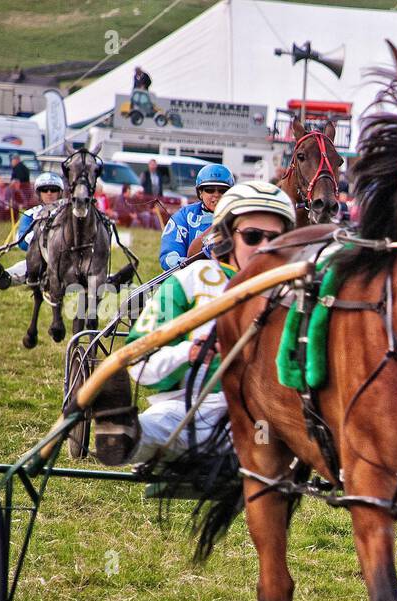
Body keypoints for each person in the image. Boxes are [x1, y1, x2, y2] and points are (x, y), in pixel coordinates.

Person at [115, 181, 296, 465]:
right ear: (226, 236)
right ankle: (120, 435)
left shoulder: (295, 292)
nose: (264, 248)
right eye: (252, 236)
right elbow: (138, 361)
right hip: (191, 408)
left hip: (264, 418)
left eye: (274, 239)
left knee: (267, 442)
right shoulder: (191, 278)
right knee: (159, 426)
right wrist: (186, 354)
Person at [0, 171, 65, 289]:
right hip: (42, 258)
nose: (49, 193)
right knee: (30, 264)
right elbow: (21, 242)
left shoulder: (69, 213)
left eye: (53, 189)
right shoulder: (30, 214)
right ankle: (4, 277)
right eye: (45, 189)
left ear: (59, 193)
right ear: (39, 193)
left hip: (67, 259)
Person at [158, 163, 233, 270]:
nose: (216, 194)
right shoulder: (183, 216)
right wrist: (190, 266)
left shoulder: (240, 216)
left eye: (222, 190)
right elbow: (168, 257)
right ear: (200, 193)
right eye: (210, 190)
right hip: (191, 278)